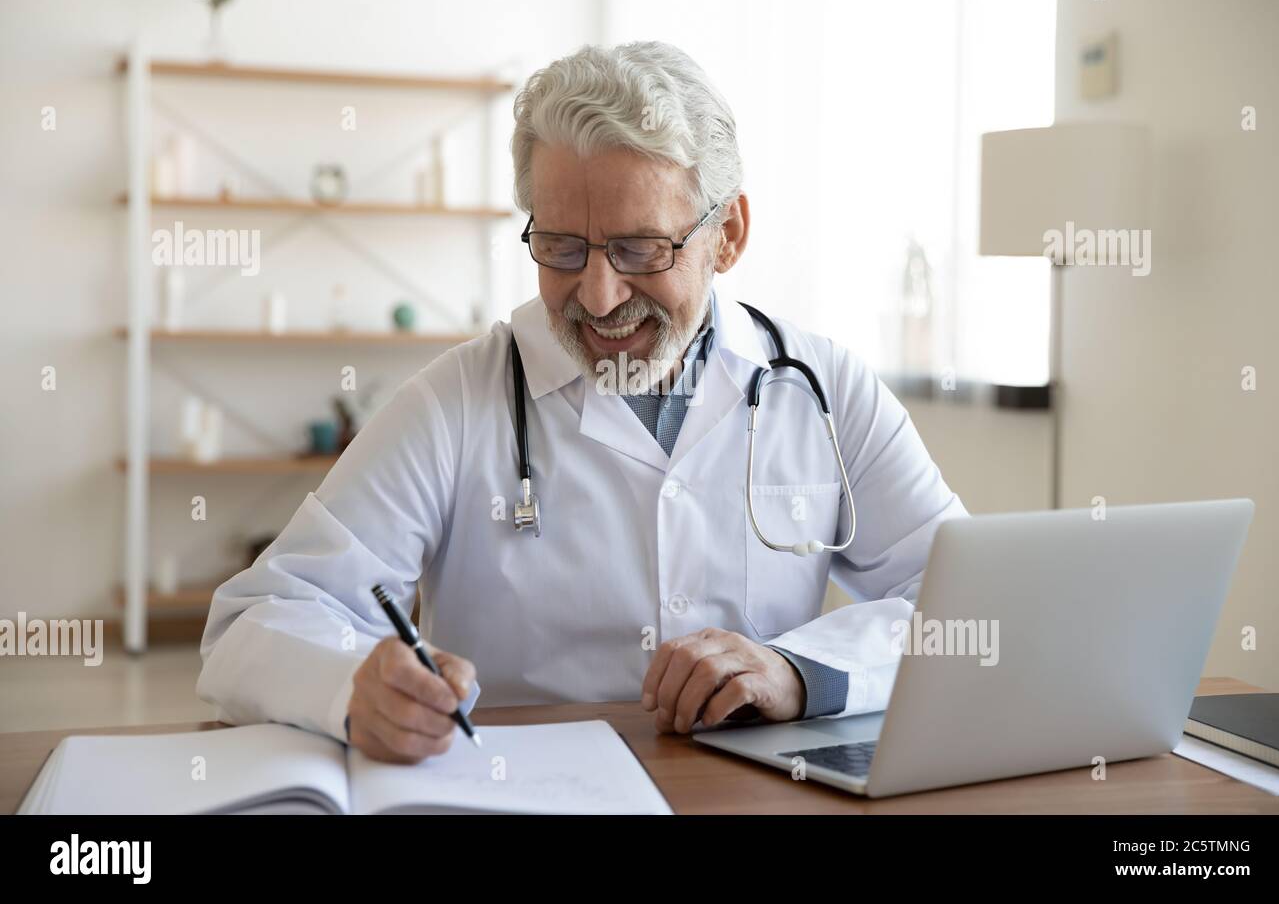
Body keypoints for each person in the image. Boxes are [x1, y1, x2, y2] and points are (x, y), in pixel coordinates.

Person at [198, 41, 966, 763]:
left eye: (640, 249)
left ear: (726, 234)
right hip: (519, 794)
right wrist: (349, 685)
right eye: (563, 248)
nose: (598, 297)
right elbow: (251, 624)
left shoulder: (822, 386)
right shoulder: (455, 403)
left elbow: (965, 607)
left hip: (748, 796)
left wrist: (802, 672)